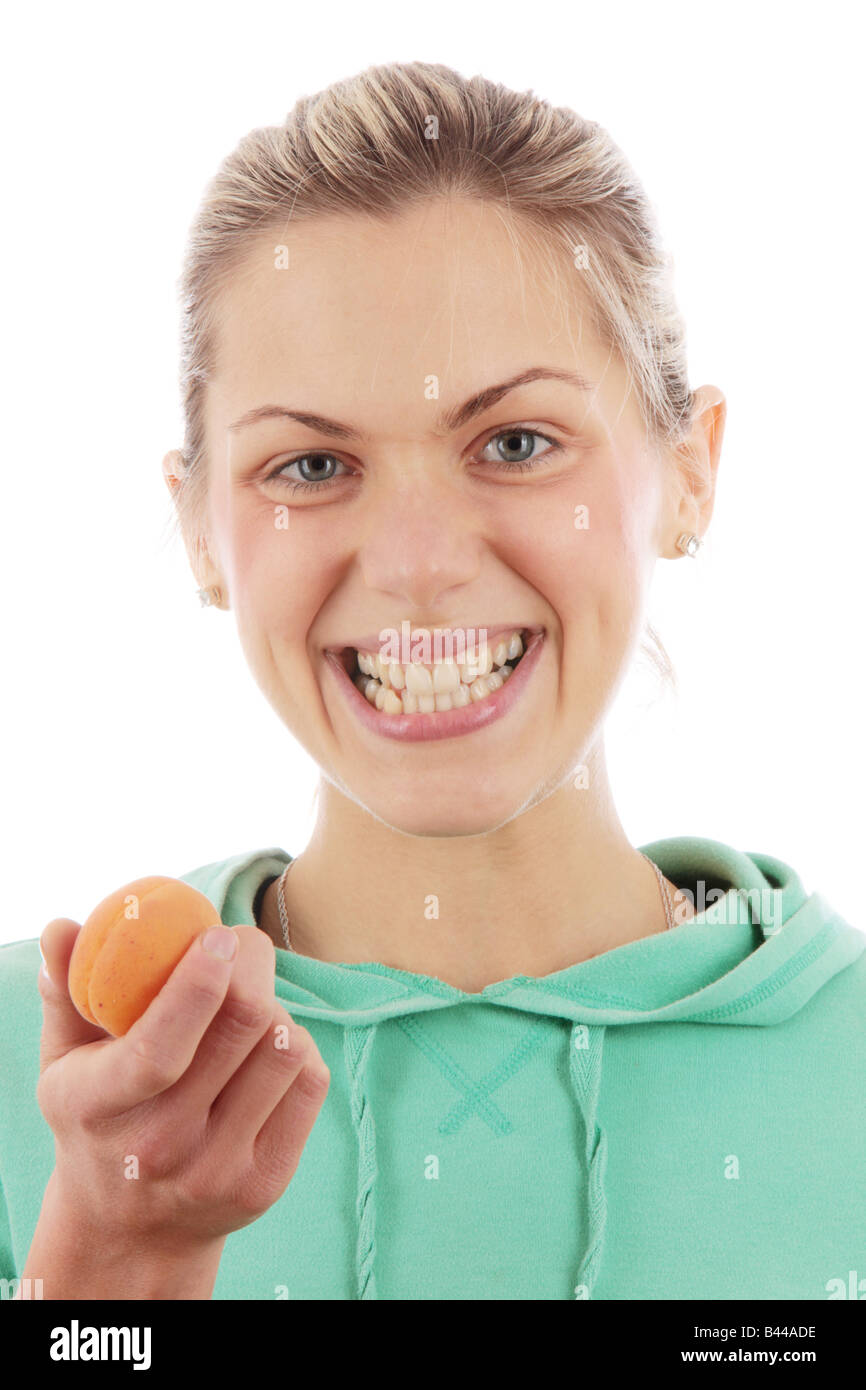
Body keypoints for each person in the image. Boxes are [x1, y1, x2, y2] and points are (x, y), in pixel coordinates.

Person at [2, 60, 863, 1302]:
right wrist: (115, 1264)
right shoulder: (41, 1080)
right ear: (197, 528)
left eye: (513, 444)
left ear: (688, 470)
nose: (415, 566)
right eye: (307, 466)